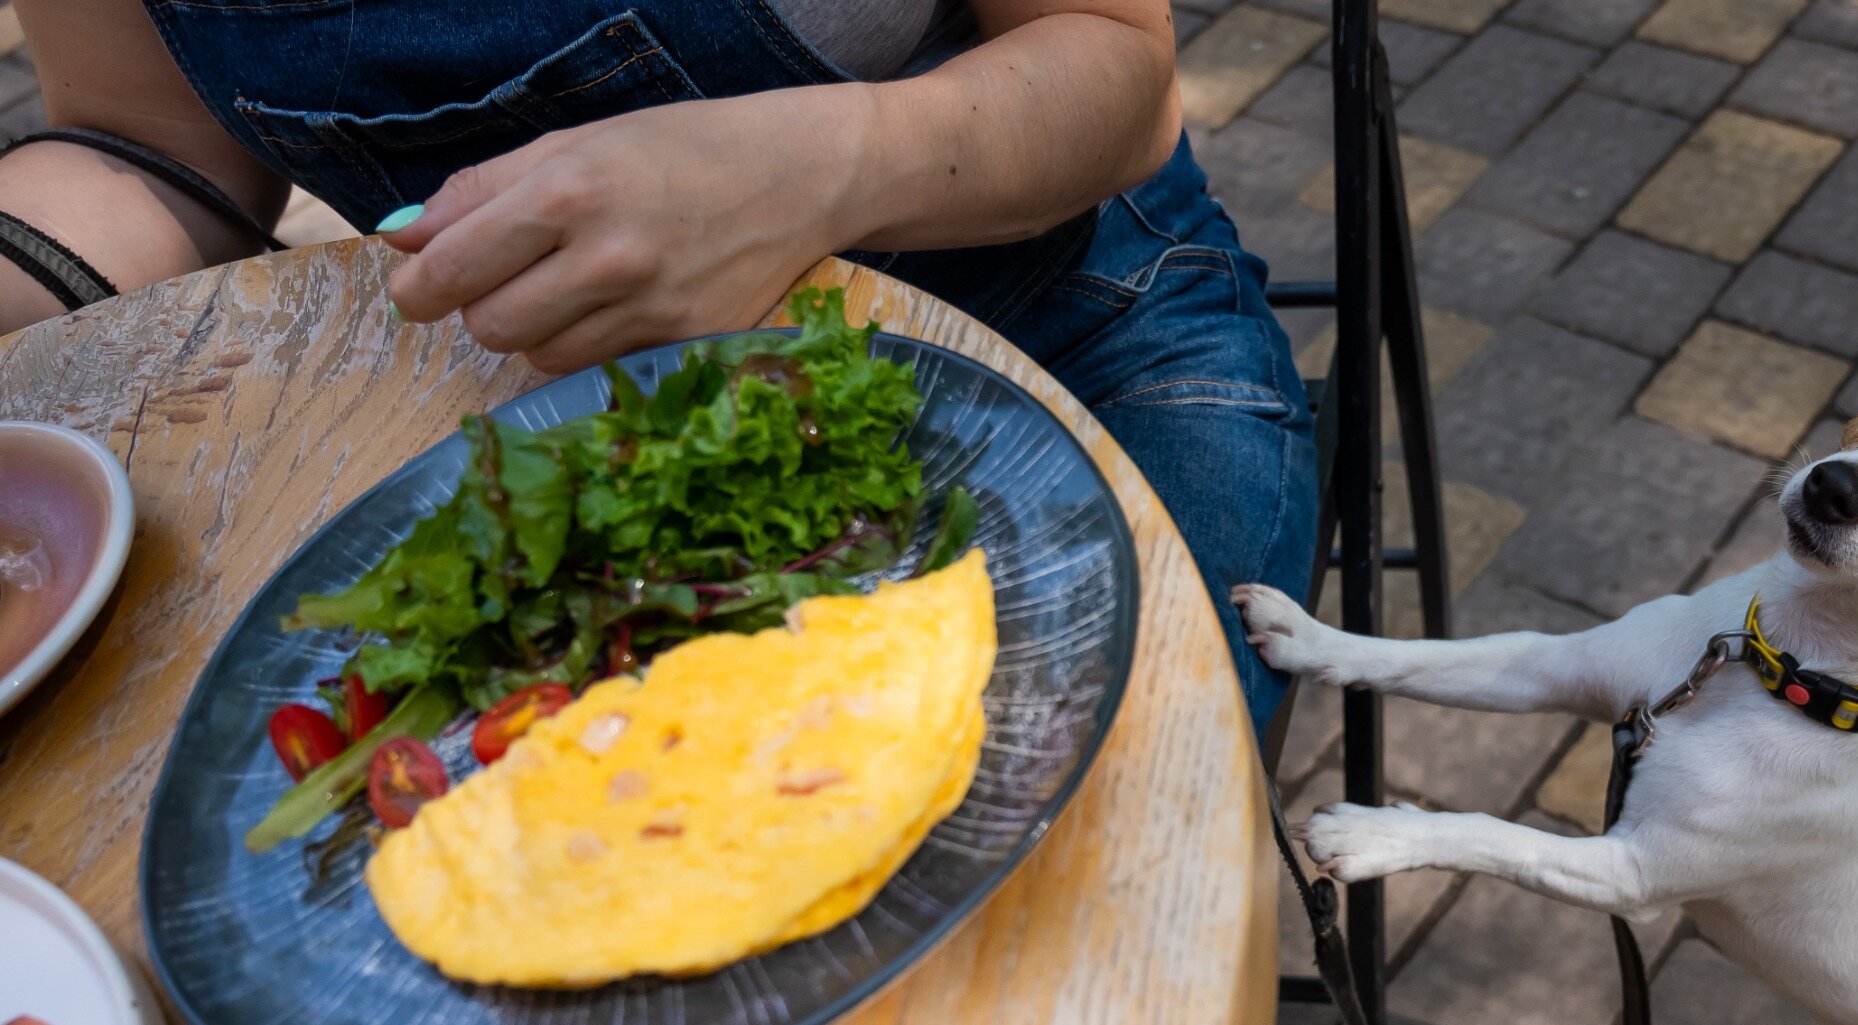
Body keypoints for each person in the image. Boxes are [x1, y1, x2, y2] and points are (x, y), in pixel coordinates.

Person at [0, 0, 1316, 727]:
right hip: (565, 457)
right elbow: (150, 147)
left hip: (1061, 352)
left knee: (1067, 977)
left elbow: (1119, 71)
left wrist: (812, 169)